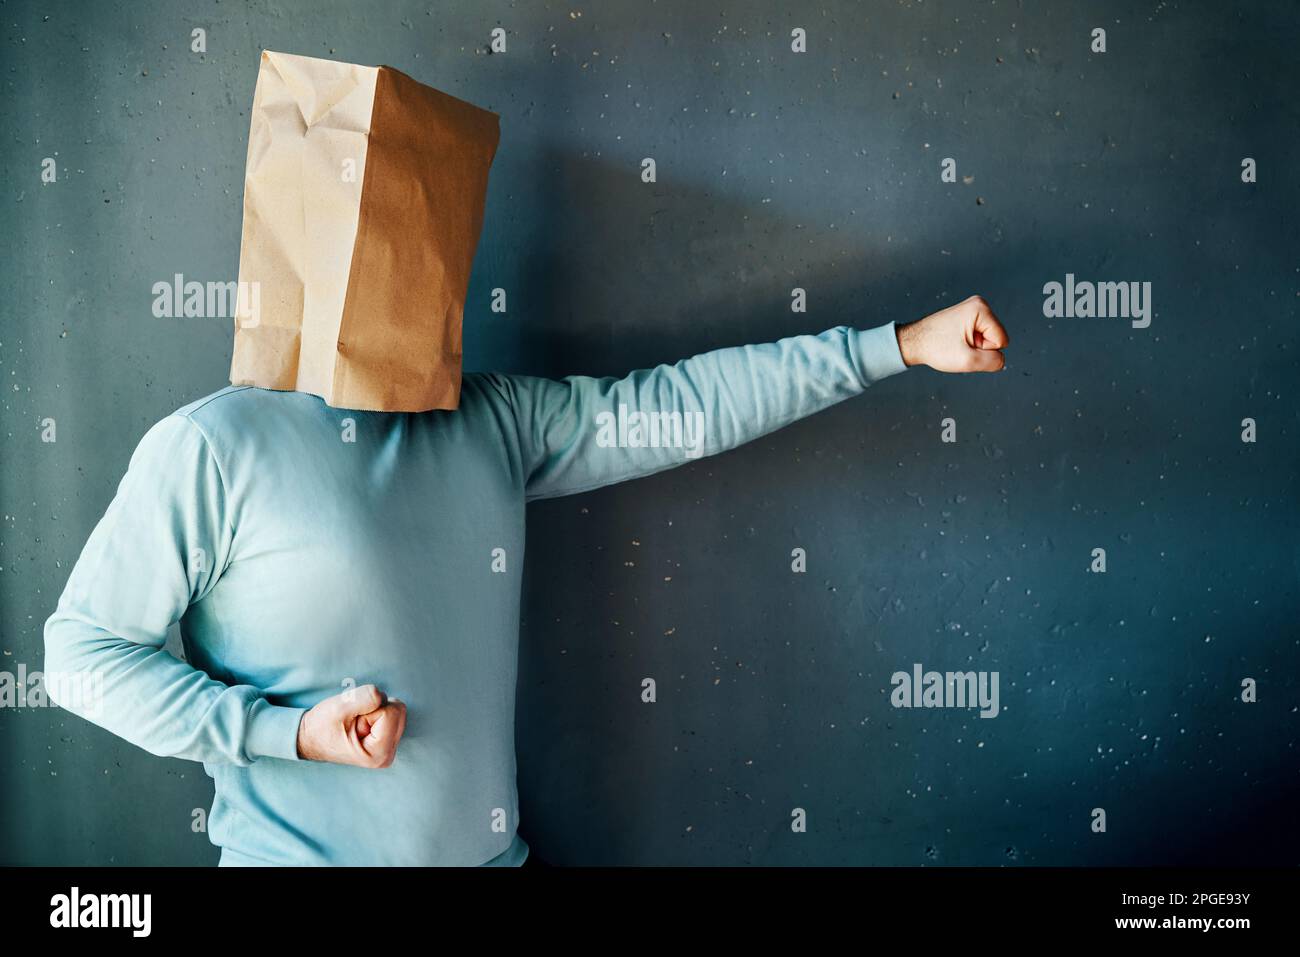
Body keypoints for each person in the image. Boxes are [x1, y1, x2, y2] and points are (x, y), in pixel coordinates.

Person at [43, 295, 1008, 866]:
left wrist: (896, 345)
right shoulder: (214, 444)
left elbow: (678, 407)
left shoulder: (489, 419)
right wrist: (282, 732)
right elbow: (78, 657)